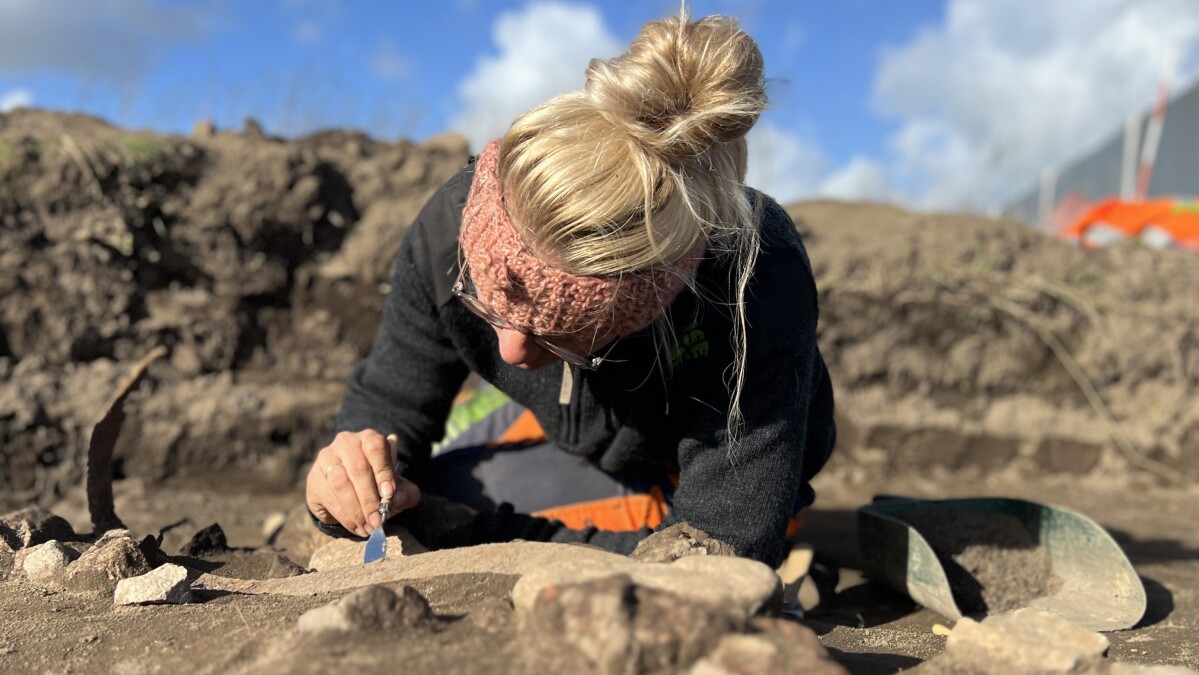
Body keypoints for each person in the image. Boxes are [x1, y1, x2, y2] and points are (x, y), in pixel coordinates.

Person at [305, 11, 835, 567]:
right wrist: (347, 477)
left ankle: (768, 516)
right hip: (573, 429)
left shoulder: (756, 275)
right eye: (487, 303)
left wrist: (473, 533)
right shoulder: (450, 228)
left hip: (707, 466)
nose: (510, 352)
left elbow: (718, 547)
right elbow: (391, 400)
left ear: (646, 306)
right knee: (422, 484)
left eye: (561, 337)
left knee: (450, 496)